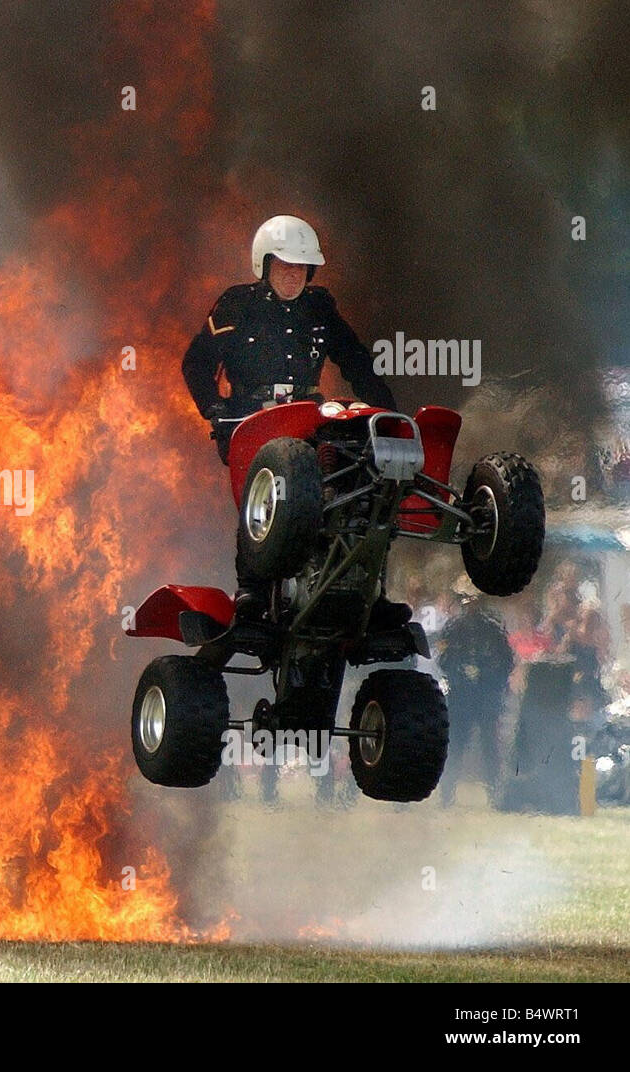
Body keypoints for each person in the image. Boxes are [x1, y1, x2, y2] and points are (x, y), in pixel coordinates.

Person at [181, 214, 400, 622]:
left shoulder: (320, 309)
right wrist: (215, 410)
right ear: (264, 265)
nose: (293, 275)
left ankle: (373, 591)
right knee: (264, 486)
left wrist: (387, 407)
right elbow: (196, 363)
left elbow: (354, 360)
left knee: (364, 476)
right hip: (251, 418)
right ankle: (251, 590)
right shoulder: (237, 304)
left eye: (301, 267)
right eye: (284, 265)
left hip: (308, 416)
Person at [437, 576, 514, 806]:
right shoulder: (453, 628)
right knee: (455, 745)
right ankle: (446, 795)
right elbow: (444, 659)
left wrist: (486, 675)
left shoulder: (493, 628)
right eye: (465, 599)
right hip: (460, 696)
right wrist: (460, 673)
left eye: (473, 599)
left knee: (490, 746)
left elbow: (507, 662)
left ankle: (495, 795)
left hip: (485, 696)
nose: (468, 604)